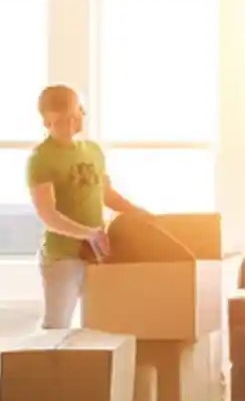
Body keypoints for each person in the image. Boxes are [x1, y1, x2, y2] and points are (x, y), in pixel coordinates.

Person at [27, 84, 154, 329]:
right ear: (46, 123)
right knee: (56, 327)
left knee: (100, 326)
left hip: (97, 254)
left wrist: (135, 211)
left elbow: (106, 194)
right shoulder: (40, 159)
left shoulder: (94, 151)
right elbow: (47, 214)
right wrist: (88, 234)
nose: (72, 123)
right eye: (62, 120)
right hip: (62, 257)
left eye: (76, 115)